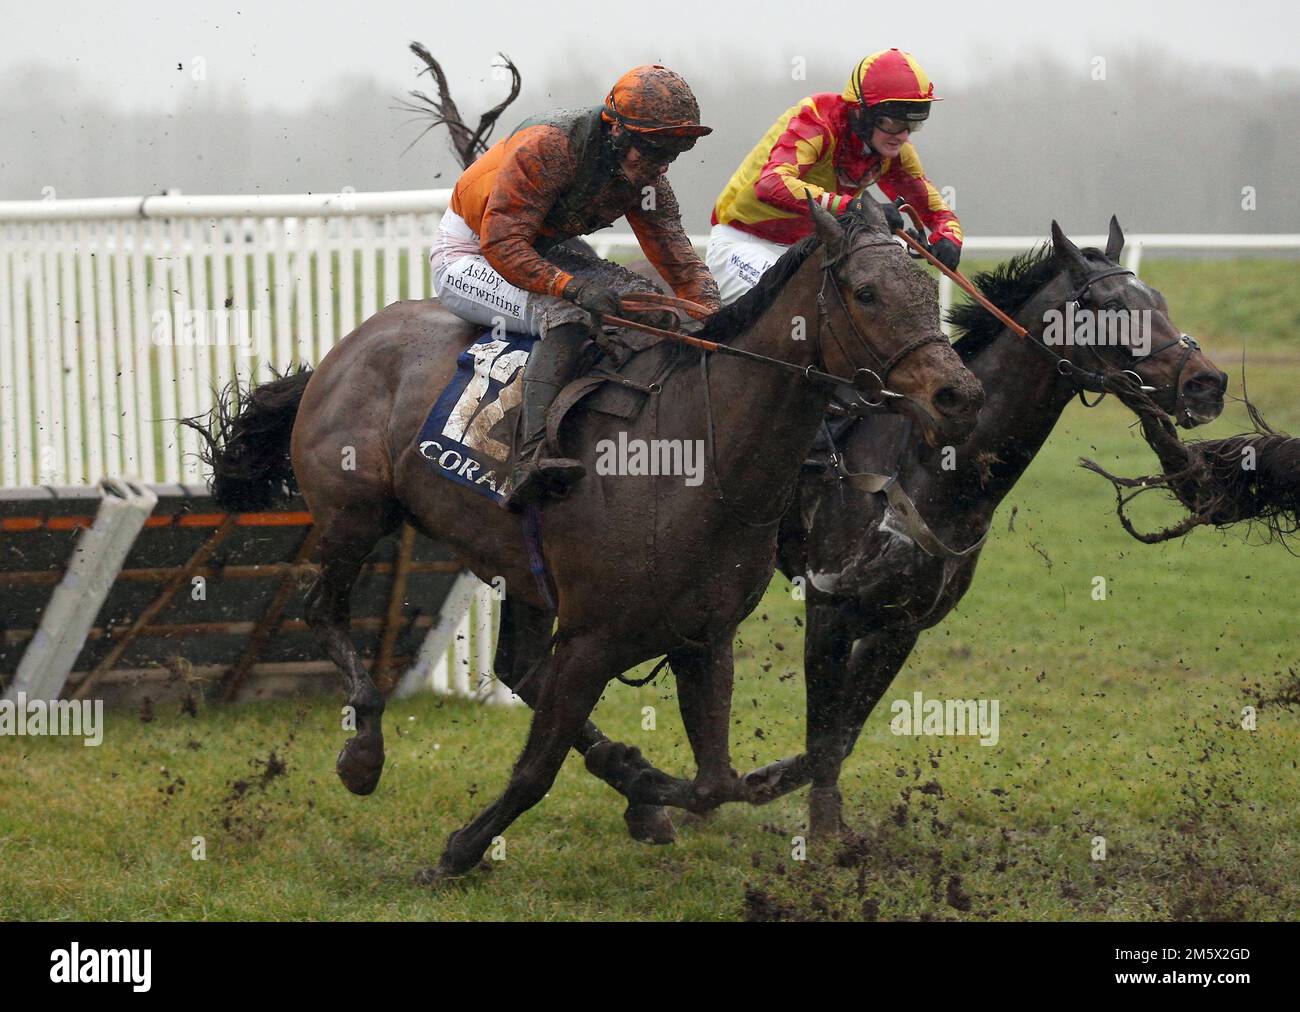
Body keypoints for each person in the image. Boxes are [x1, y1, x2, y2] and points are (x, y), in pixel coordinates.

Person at [430, 65, 721, 510]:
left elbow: (677, 258)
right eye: (655, 148)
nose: (661, 165)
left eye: (674, 152)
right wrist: (572, 288)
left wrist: (713, 316)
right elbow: (503, 243)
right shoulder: (550, 147)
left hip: (540, 249)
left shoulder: (645, 180)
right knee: (568, 313)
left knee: (646, 303)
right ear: (616, 130)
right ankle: (531, 459)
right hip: (471, 253)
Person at [707, 48, 962, 304]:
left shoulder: (894, 150)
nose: (903, 136)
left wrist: (949, 239)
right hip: (743, 243)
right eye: (893, 123)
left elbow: (938, 212)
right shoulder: (817, 119)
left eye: (912, 124)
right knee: (805, 308)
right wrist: (856, 207)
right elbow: (771, 184)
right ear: (862, 112)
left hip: (809, 255)